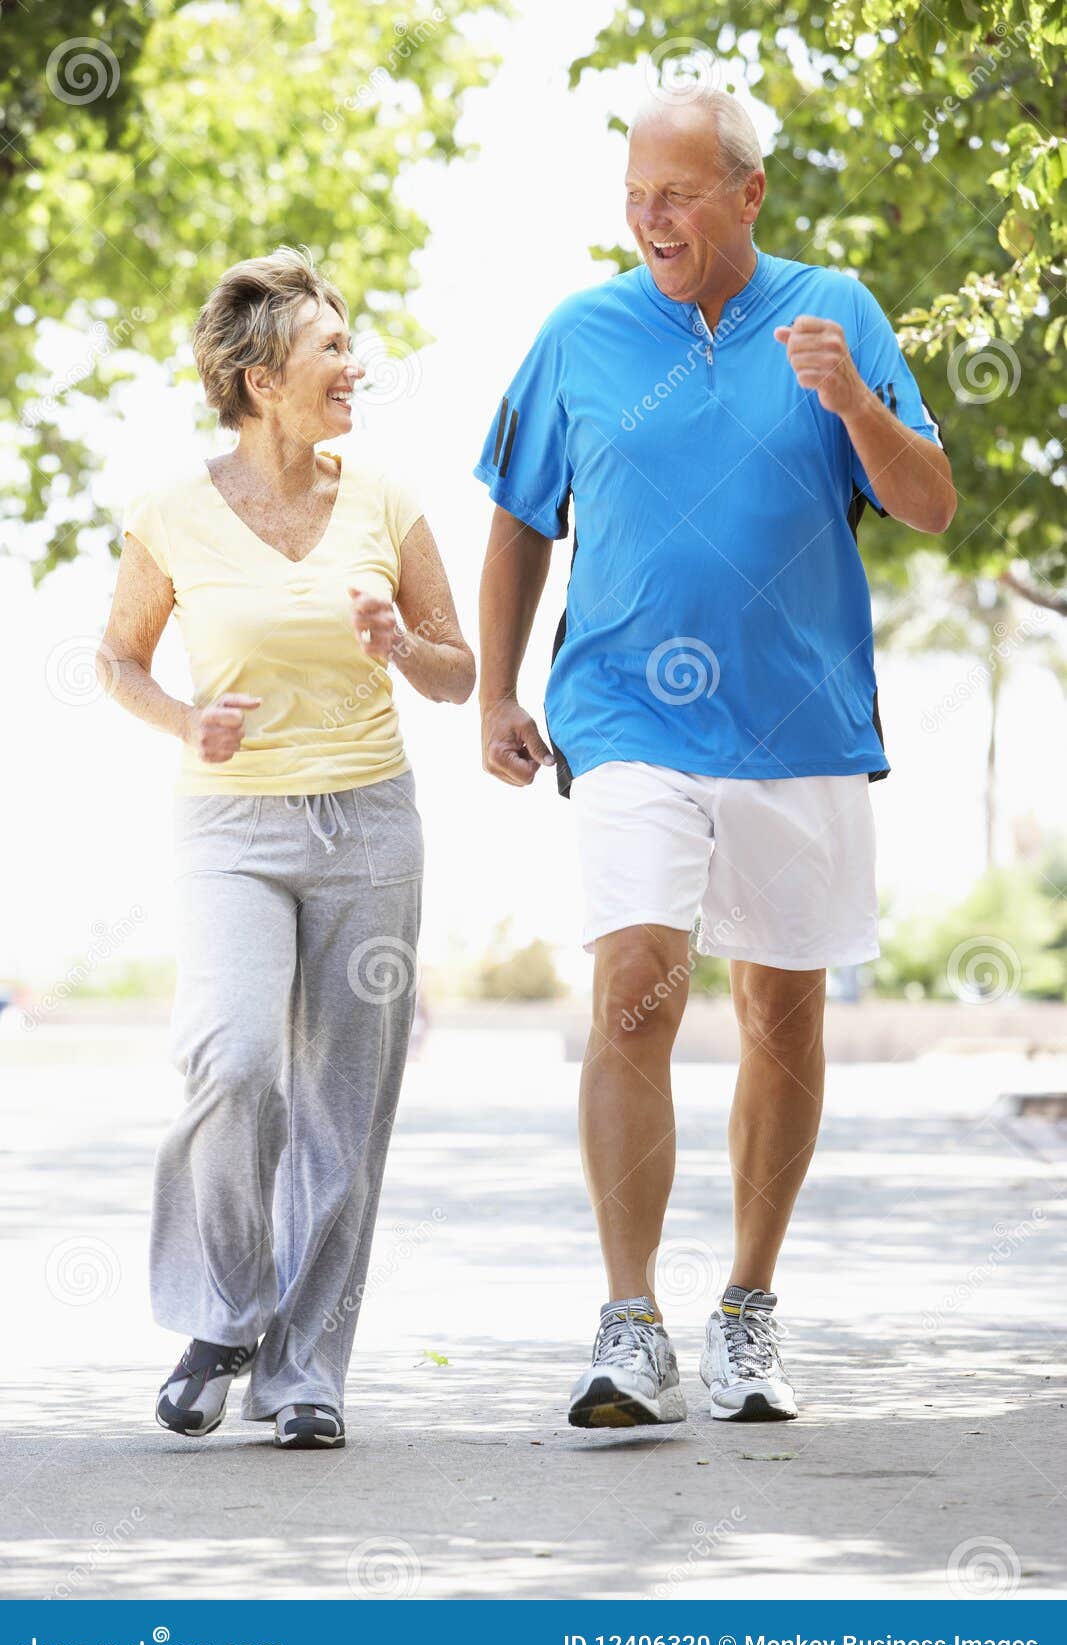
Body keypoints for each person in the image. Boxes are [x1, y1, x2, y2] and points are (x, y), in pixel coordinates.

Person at [475, 91, 955, 1427]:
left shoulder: (834, 311)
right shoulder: (578, 333)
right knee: (633, 982)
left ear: (747, 195)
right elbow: (517, 519)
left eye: (677, 194)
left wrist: (851, 401)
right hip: (626, 714)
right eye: (635, 195)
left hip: (797, 723)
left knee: (779, 1017)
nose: (651, 219)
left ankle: (745, 1306)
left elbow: (927, 501)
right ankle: (627, 1322)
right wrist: (495, 693)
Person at [100, 246, 474, 1450]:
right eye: (331, 347)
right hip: (233, 824)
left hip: (369, 824)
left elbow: (457, 672)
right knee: (236, 1060)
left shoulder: (385, 500)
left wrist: (398, 646)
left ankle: (306, 1371)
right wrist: (183, 720)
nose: (353, 365)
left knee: (342, 1113)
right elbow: (117, 659)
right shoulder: (173, 512)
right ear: (261, 380)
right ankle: (223, 1315)